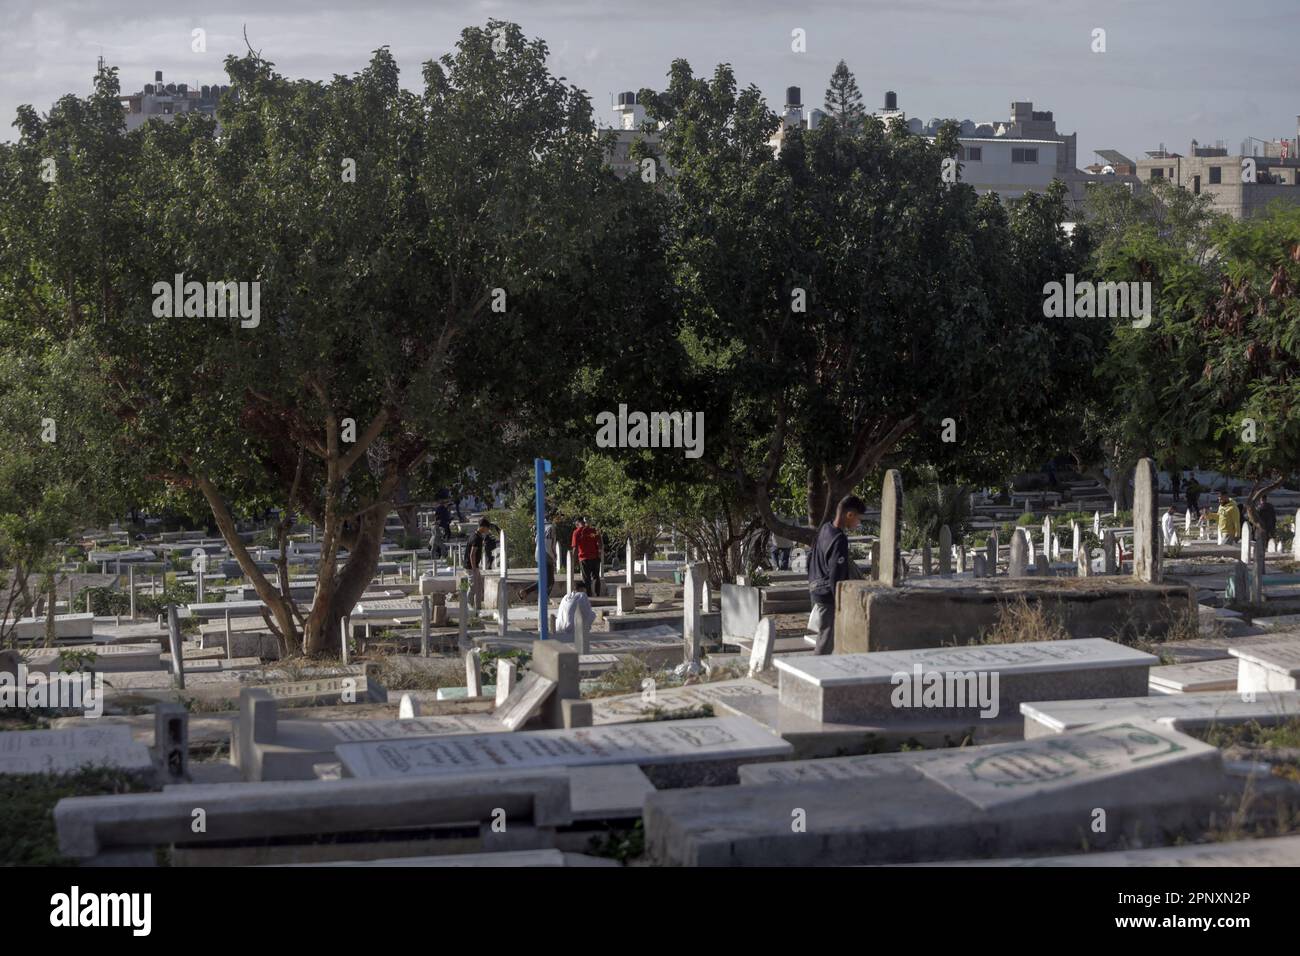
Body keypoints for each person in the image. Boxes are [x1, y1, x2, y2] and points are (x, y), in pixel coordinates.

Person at [807, 495, 866, 656]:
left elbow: (810, 559)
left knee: (826, 638)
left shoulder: (825, 529)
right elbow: (836, 576)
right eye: (858, 519)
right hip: (829, 597)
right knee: (826, 641)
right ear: (849, 515)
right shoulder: (839, 539)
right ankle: (815, 675)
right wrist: (841, 603)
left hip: (817, 590)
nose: (858, 523)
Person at [466, 518, 496, 608]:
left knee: (478, 587)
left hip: (472, 566)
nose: (488, 530)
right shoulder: (476, 538)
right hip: (470, 566)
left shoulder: (476, 535)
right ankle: (467, 607)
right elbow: (472, 554)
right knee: (472, 587)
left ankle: (478, 607)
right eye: (487, 528)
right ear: (483, 527)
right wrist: (474, 568)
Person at [571, 516, 603, 598]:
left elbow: (575, 548)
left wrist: (573, 562)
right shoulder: (593, 530)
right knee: (596, 576)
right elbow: (600, 543)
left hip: (584, 558)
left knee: (586, 578)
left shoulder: (577, 532)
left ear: (577, 523)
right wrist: (599, 554)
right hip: (595, 557)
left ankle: (589, 596)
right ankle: (597, 594)